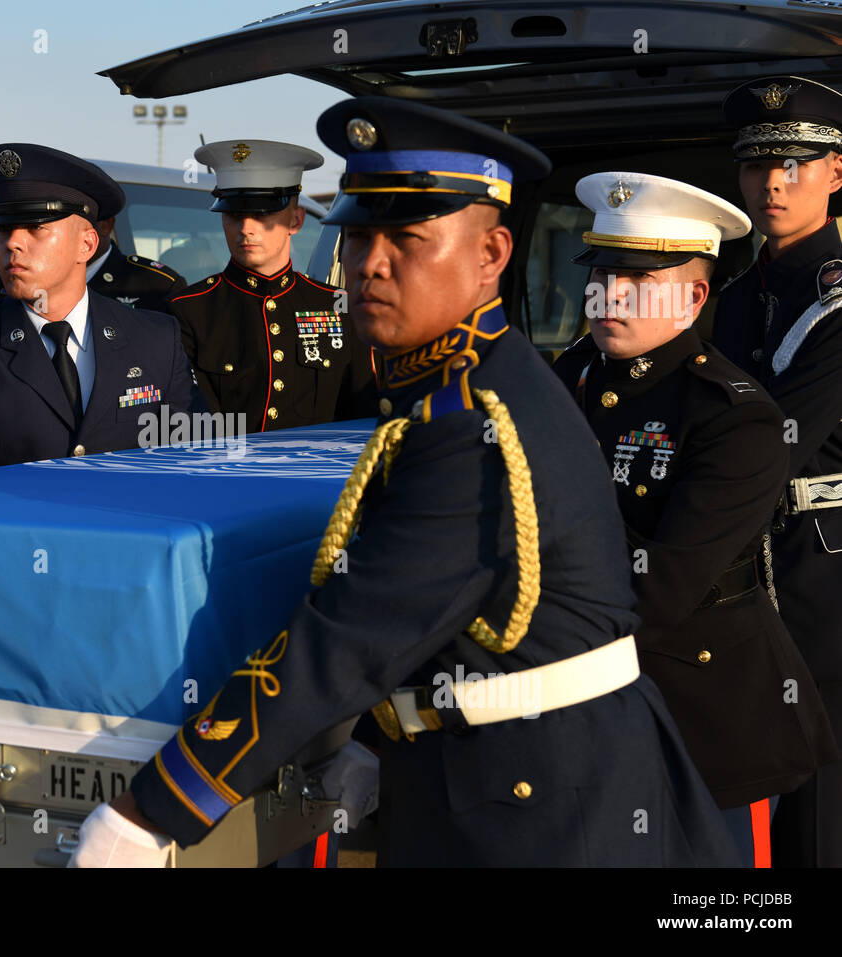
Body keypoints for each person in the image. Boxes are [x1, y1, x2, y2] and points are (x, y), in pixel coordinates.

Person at [69, 97, 738, 867]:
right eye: (357, 236)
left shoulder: (473, 421)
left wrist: (153, 808)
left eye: (408, 239)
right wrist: (363, 734)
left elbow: (349, 637)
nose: (370, 263)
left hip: (543, 809)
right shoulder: (459, 382)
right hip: (489, 770)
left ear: (491, 255)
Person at [552, 171, 836, 867]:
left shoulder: (736, 419)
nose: (611, 293)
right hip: (587, 709)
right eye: (604, 271)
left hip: (709, 723)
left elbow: (658, 592)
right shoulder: (567, 381)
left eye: (640, 278)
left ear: (696, 295)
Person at [712, 75, 842, 867]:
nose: (774, 183)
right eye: (759, 165)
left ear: (838, 171)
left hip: (823, 570)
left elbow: (774, 445)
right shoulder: (731, 298)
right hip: (739, 569)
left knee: (817, 807)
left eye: (796, 163)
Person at [0, 143, 197, 474]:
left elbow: (184, 464)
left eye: (35, 227)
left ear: (86, 244)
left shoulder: (156, 339)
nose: (12, 243)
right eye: (4, 229)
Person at [165, 139, 379, 432]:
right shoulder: (188, 311)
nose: (246, 228)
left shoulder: (341, 308)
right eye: (234, 214)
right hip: (225, 474)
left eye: (262, 213)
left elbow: (365, 417)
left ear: (296, 220)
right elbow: (188, 426)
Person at [0, 215, 185, 333]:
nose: (16, 242)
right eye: (9, 228)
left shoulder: (156, 286)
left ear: (101, 228)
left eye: (37, 228)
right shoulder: (17, 283)